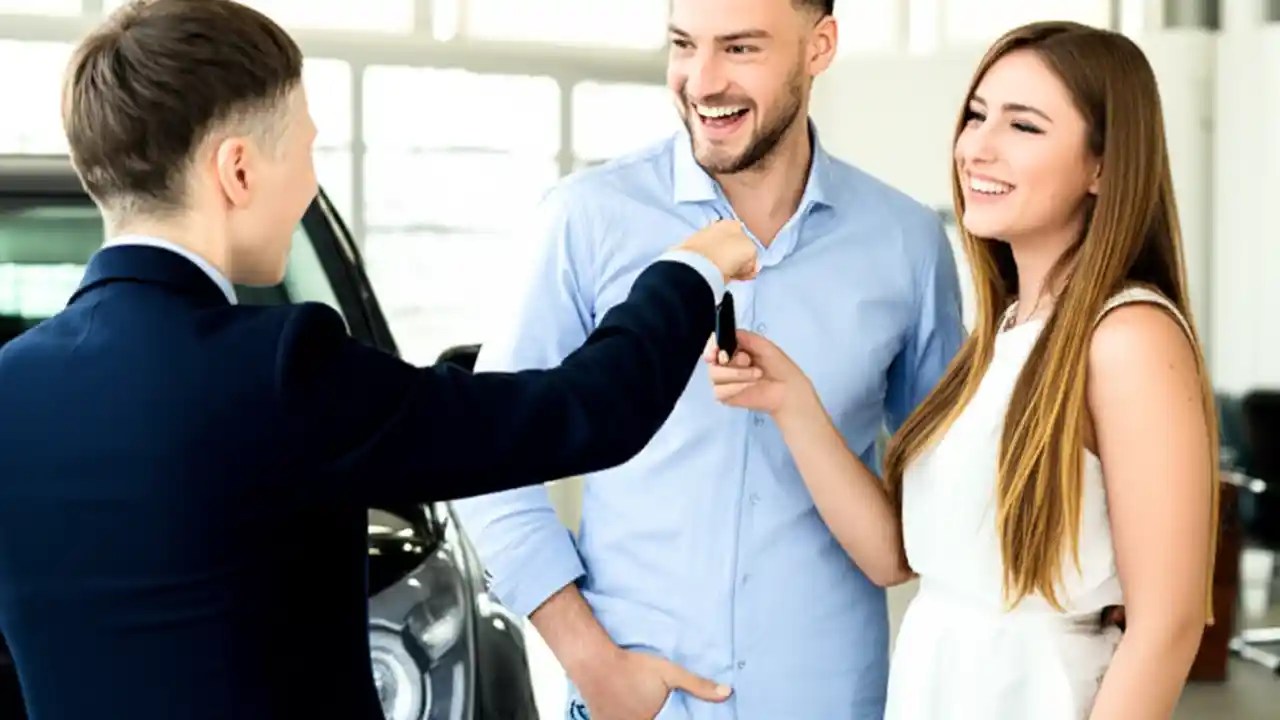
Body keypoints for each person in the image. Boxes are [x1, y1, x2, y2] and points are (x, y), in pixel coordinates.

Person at [0, 2, 760, 719]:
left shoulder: (14, 387)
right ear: (237, 171)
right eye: (304, 150)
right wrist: (691, 267)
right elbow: (587, 414)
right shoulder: (281, 369)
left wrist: (462, 379)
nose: (309, 181)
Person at [452, 0, 965, 717]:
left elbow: (945, 505)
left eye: (740, 49)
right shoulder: (586, 217)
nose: (701, 80)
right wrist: (590, 661)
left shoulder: (906, 244)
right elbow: (482, 458)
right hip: (636, 699)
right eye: (684, 45)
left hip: (829, 696)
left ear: (819, 48)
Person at [708, 20, 1220, 720]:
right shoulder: (1006, 334)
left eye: (1024, 126)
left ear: (1104, 166)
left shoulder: (1126, 335)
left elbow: (1169, 624)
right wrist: (790, 401)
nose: (977, 146)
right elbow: (902, 558)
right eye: (977, 116)